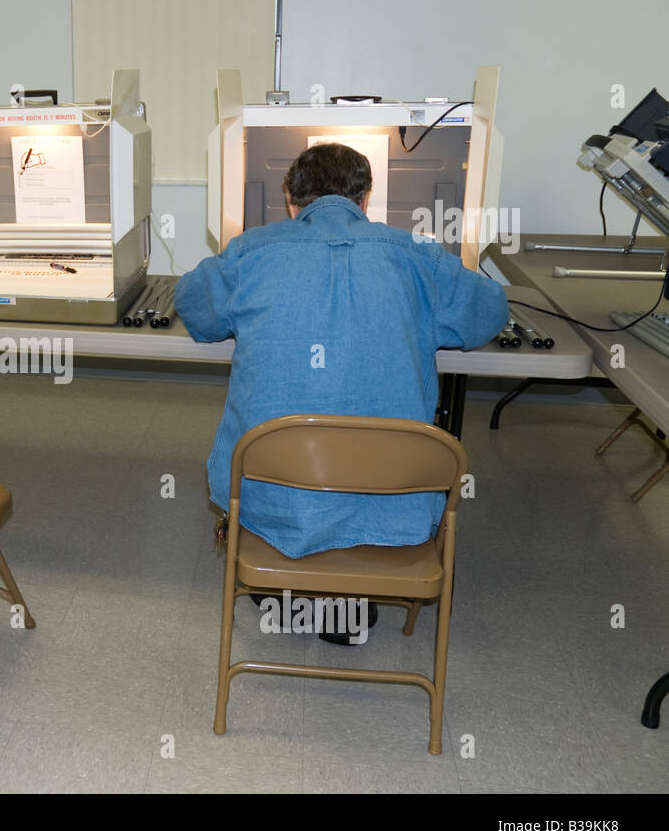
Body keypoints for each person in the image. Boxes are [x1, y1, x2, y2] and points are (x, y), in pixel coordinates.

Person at [174, 142, 507, 642]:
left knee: (274, 447)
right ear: (365, 198)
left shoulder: (252, 251)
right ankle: (350, 582)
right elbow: (487, 314)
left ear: (291, 200)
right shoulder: (415, 254)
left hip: (269, 488)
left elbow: (194, 308)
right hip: (393, 493)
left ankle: (290, 575)